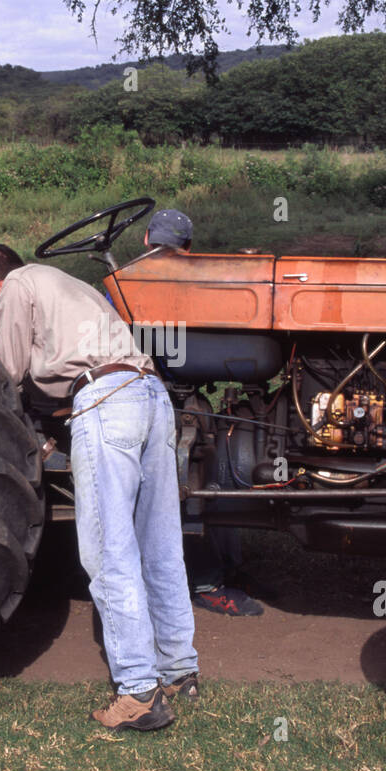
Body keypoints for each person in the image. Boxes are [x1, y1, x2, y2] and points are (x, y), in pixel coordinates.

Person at [0, 243, 200, 731]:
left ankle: (138, 691)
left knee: (108, 550)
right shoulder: (72, 284)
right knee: (160, 545)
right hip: (151, 396)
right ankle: (180, 670)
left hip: (105, 399)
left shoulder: (17, 287)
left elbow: (8, 373)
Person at [142, 210, 265, 617]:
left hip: (180, 394)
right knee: (195, 480)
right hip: (155, 398)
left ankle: (228, 568)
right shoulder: (200, 279)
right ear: (189, 247)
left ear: (145, 240)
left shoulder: (126, 281)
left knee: (220, 469)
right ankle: (206, 582)